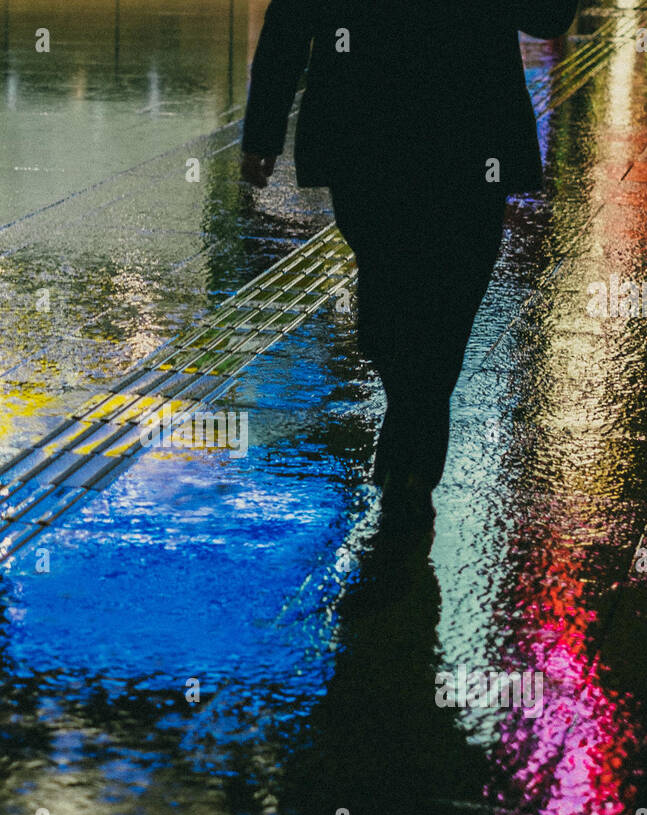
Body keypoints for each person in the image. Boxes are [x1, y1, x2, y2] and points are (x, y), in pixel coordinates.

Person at [241, 1, 580, 531]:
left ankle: (411, 440)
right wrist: (262, 130)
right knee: (431, 291)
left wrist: (263, 130)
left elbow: (290, 22)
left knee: (410, 289)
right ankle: (414, 444)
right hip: (452, 134)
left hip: (382, 132)